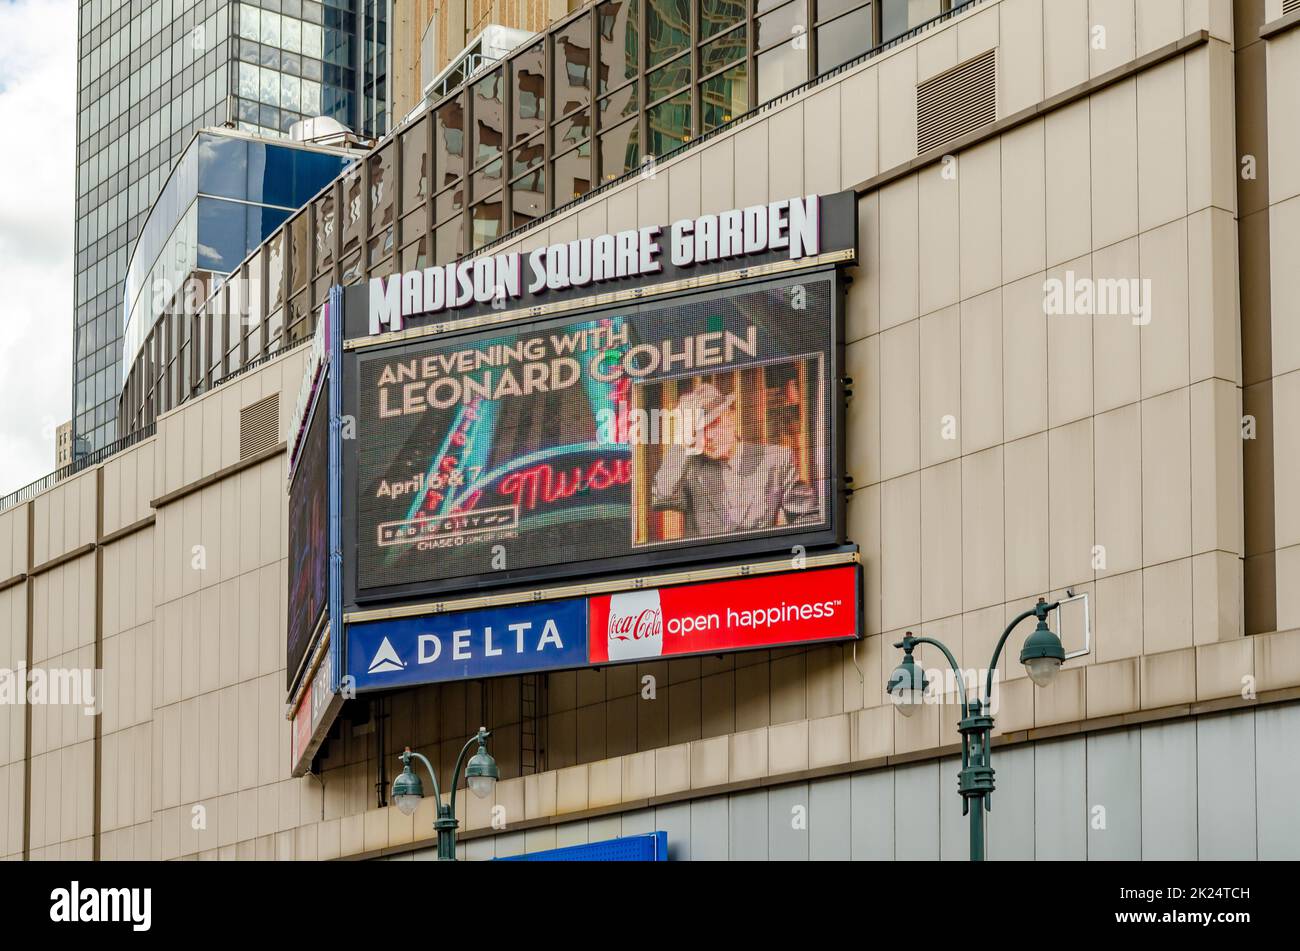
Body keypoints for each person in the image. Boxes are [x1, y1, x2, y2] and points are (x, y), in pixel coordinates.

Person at [649, 382, 819, 539]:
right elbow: (662, 497)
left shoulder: (776, 459)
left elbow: (808, 516)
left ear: (731, 416)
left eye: (714, 423)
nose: (707, 436)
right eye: (697, 431)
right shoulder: (689, 468)